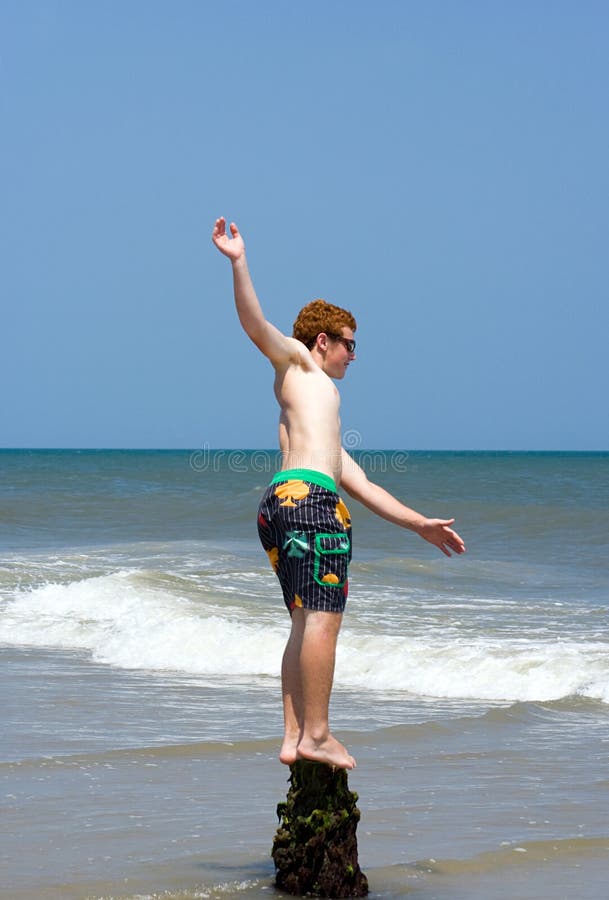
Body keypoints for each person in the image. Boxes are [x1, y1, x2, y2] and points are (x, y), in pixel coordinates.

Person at [212, 217, 465, 770]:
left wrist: (420, 524)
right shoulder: (301, 365)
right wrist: (239, 261)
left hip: (283, 501)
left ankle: (293, 735)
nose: (354, 354)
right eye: (350, 344)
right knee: (323, 618)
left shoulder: (319, 427)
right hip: (310, 503)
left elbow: (365, 485)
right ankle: (318, 735)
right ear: (322, 342)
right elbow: (256, 325)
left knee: (304, 619)